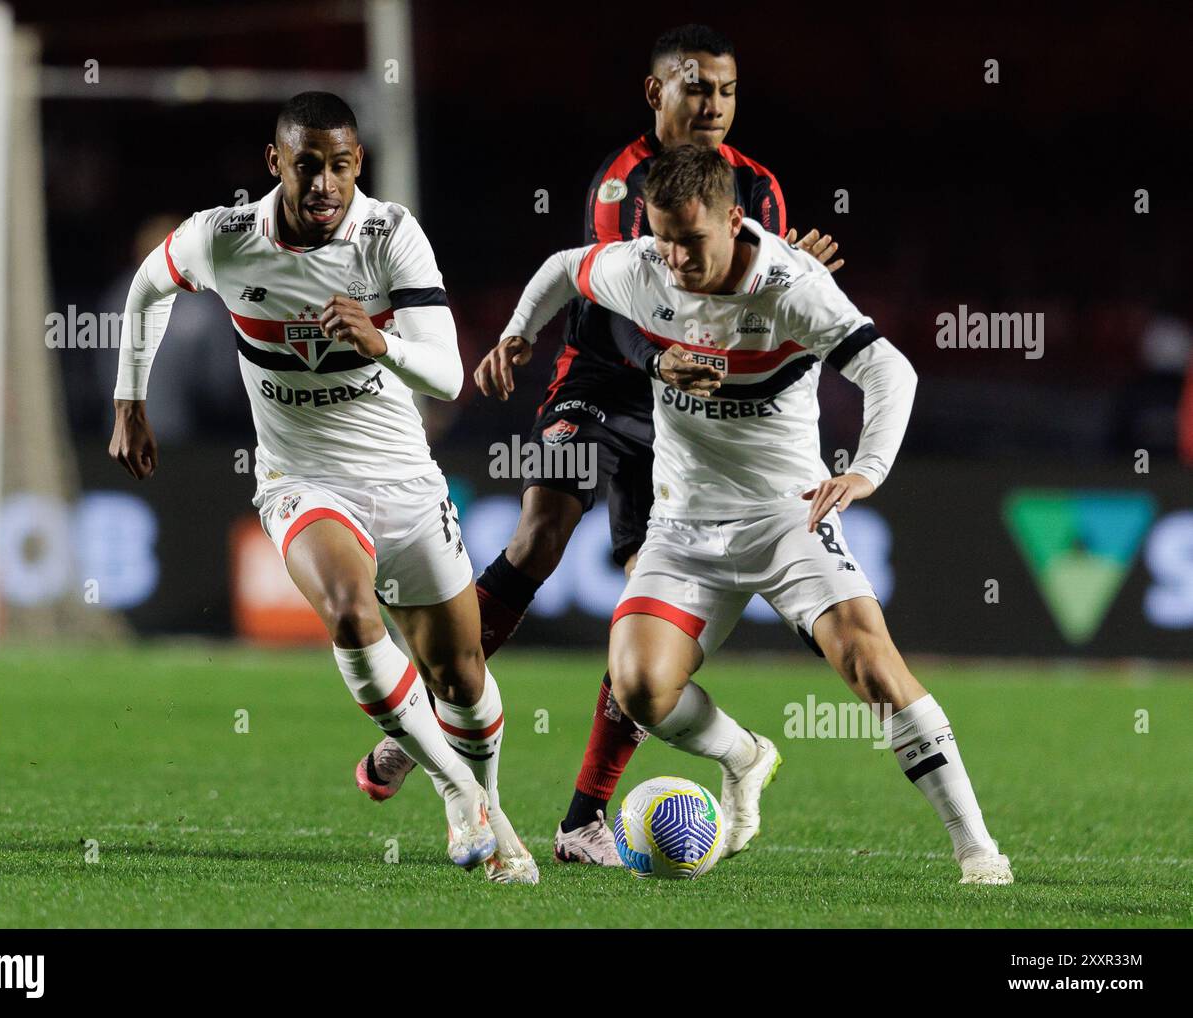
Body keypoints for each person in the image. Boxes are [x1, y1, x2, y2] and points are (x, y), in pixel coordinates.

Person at [357, 24, 841, 867]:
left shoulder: (757, 189)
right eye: (696, 88)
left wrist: (796, 278)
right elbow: (612, 308)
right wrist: (531, 337)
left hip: (687, 421)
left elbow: (761, 301)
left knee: (641, 607)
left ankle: (583, 818)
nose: (713, 105)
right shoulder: (623, 185)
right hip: (600, 382)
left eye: (726, 90)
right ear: (656, 96)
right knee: (539, 533)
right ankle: (433, 720)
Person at [498, 142, 1013, 884]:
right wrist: (519, 331)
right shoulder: (642, 266)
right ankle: (745, 756)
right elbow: (560, 268)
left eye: (692, 240)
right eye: (663, 238)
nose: (675, 258)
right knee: (638, 685)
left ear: (735, 220)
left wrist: (867, 469)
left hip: (785, 519)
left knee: (870, 663)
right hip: (681, 529)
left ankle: (976, 848)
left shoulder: (791, 287)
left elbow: (888, 369)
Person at [108, 91, 536, 884]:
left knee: (462, 678)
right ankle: (460, 791)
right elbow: (146, 286)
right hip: (302, 481)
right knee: (348, 611)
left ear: (357, 165)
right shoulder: (227, 238)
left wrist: (381, 340)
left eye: (340, 165)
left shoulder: (391, 236)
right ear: (277, 163)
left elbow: (445, 373)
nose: (325, 183)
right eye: (308, 164)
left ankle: (478, 795)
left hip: (407, 479)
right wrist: (129, 399)